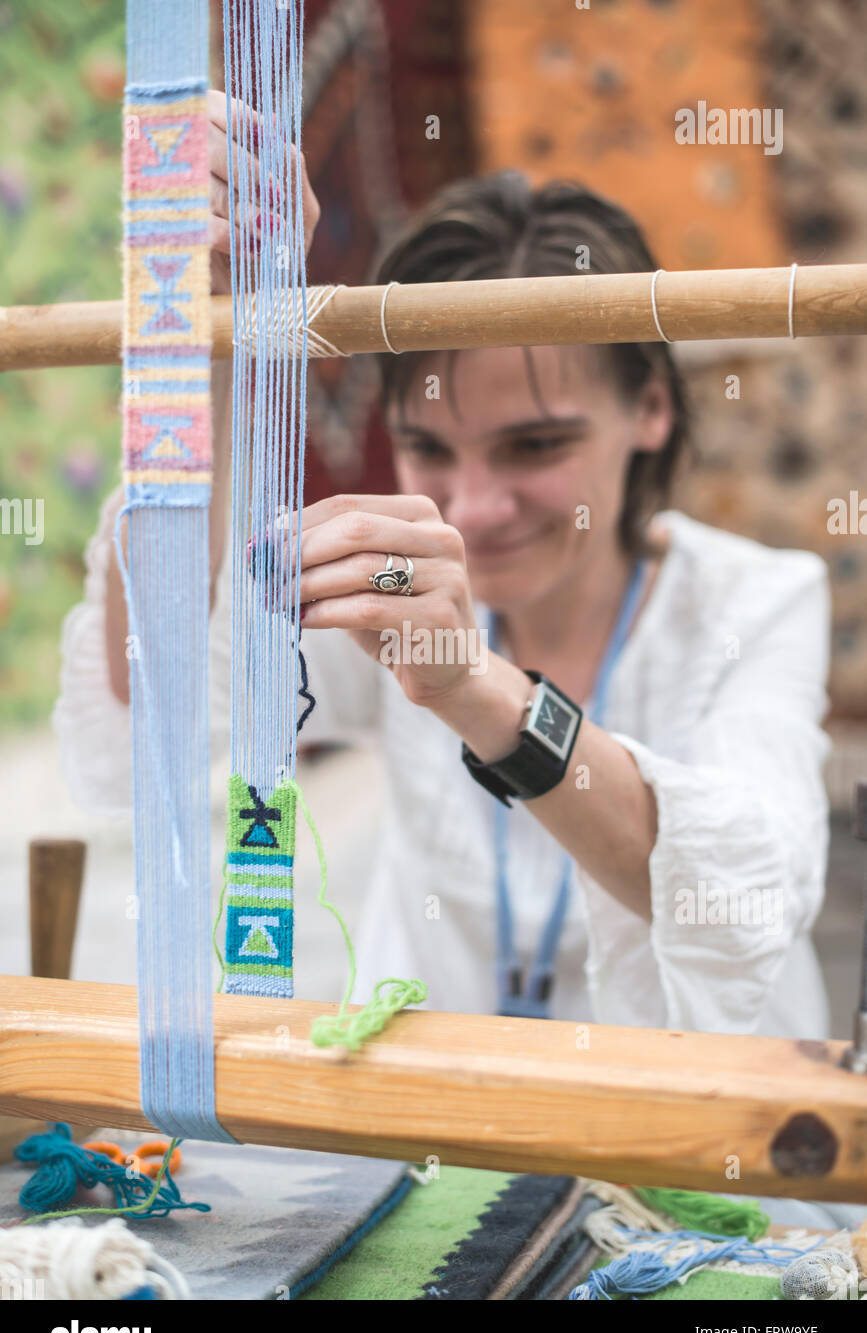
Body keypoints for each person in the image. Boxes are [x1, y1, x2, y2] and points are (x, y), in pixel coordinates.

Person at [54, 95, 832, 1039]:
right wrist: (204, 343)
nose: (472, 509)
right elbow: (150, 703)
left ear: (652, 411)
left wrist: (473, 687)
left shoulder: (757, 601)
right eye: (428, 449)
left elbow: (742, 900)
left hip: (700, 1152)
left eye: (534, 446)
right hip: (435, 1146)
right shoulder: (386, 588)